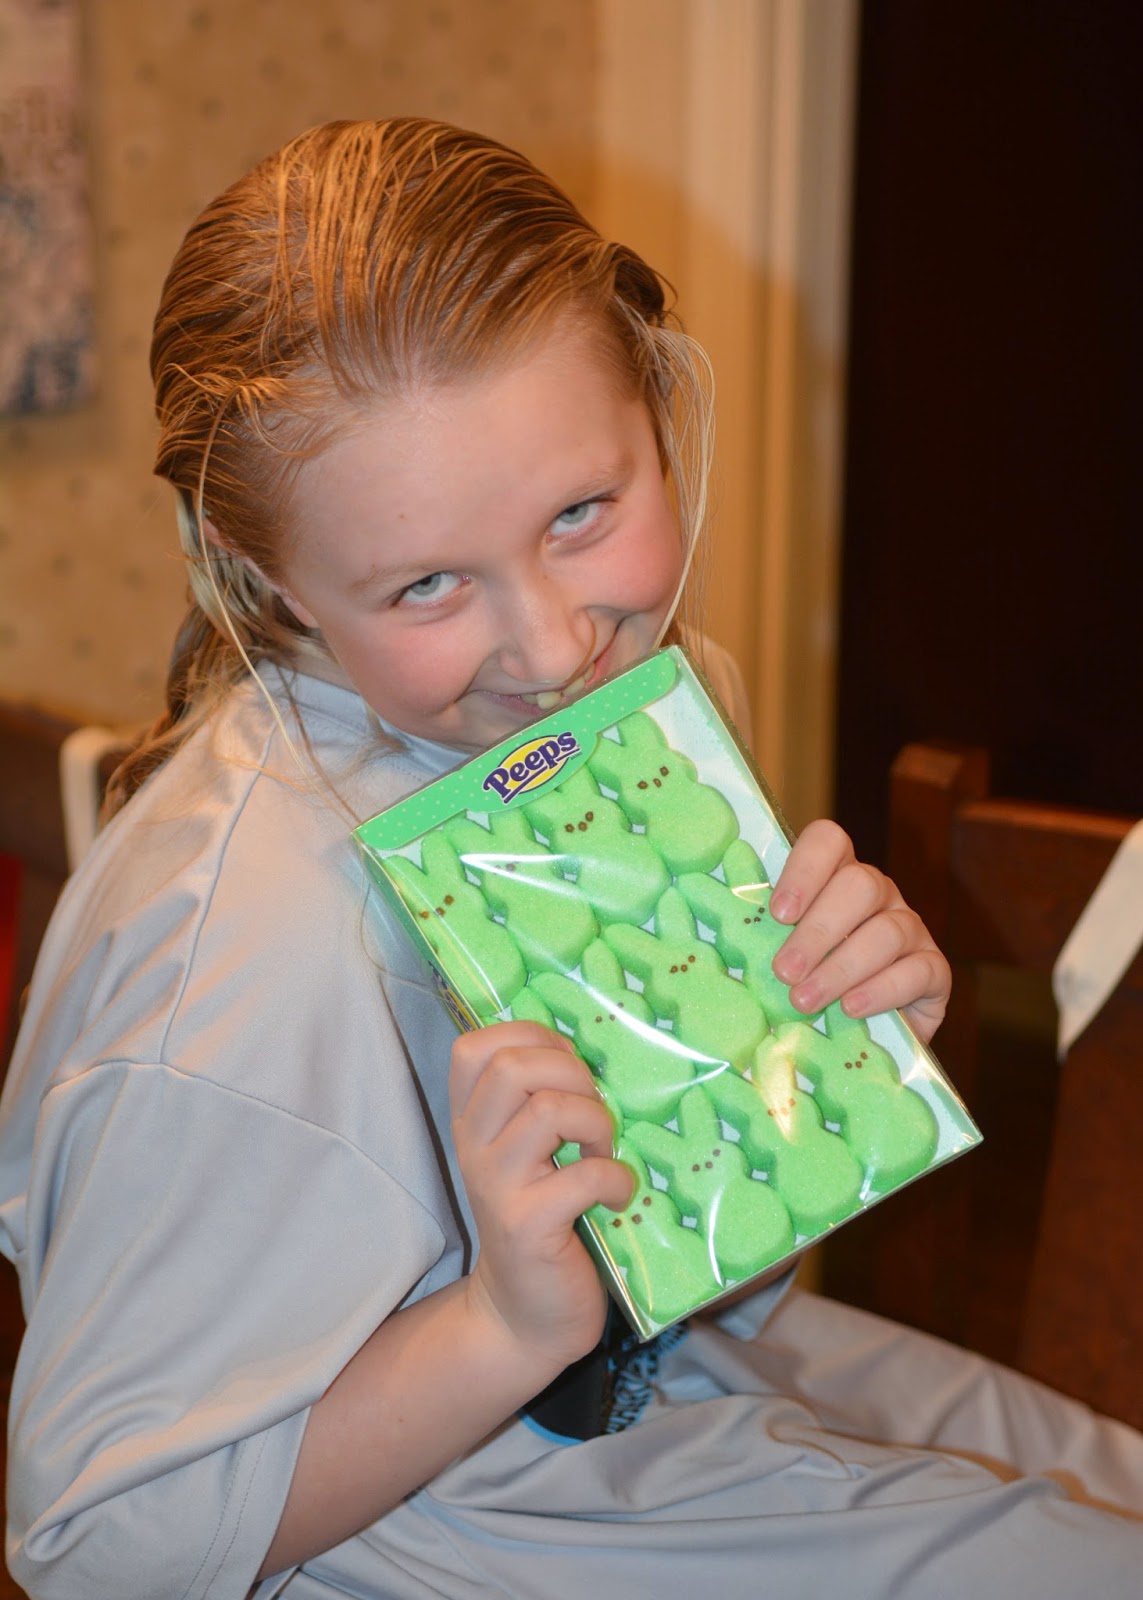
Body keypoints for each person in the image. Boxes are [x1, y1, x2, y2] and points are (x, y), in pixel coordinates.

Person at [0, 118, 1138, 1600]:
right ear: (263, 568)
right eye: (427, 583)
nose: (551, 647)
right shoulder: (239, 961)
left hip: (664, 1382)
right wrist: (503, 1324)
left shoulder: (632, 718)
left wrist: (806, 1085)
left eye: (584, 513)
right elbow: (93, 1547)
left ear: (657, 399)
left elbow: (692, 1267)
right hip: (431, 1526)